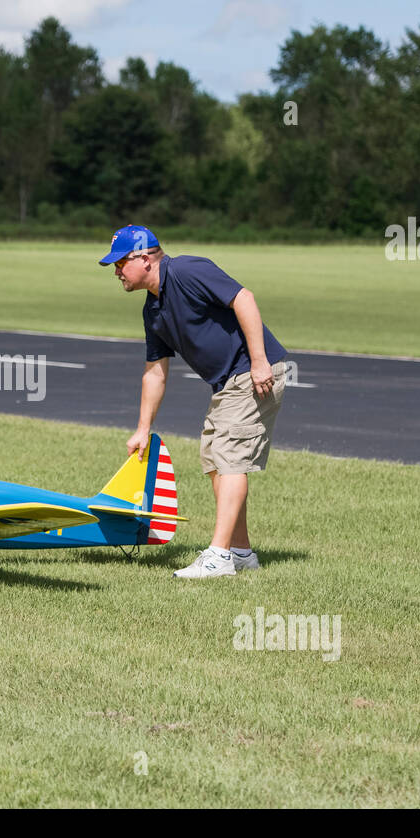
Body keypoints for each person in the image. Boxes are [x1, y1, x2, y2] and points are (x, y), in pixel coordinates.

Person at [100, 224, 289, 578]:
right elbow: (155, 372)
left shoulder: (188, 270)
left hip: (252, 372)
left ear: (144, 259)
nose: (116, 271)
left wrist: (260, 360)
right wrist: (143, 429)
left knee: (230, 457)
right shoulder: (152, 310)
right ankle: (241, 552)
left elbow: (243, 298)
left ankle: (218, 556)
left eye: (120, 263)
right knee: (217, 461)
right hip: (227, 383)